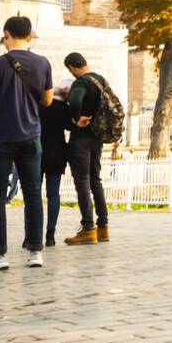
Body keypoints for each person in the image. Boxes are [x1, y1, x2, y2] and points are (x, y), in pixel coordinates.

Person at [0, 16, 52, 271]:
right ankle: (35, 252)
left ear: (6, 34)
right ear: (29, 36)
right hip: (30, 136)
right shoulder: (43, 63)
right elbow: (48, 100)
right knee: (32, 194)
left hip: (1, 138)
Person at [63, 52, 110, 245]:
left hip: (81, 138)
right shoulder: (101, 80)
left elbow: (75, 100)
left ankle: (88, 228)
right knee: (95, 180)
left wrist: (76, 118)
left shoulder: (81, 82)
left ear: (72, 68)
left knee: (82, 181)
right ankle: (103, 227)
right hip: (97, 138)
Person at [40, 86, 71, 246]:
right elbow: (69, 126)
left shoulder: (36, 104)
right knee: (53, 194)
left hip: (35, 152)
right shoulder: (62, 107)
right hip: (56, 153)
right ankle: (50, 235)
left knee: (33, 195)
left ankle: (30, 234)